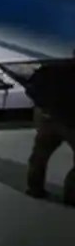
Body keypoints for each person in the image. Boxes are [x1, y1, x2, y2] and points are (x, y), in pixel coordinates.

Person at [25, 54, 75, 205]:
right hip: (72, 123)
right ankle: (72, 197)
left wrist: (42, 106)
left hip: (48, 118)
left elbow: (31, 88)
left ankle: (35, 189)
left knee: (39, 156)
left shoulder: (52, 68)